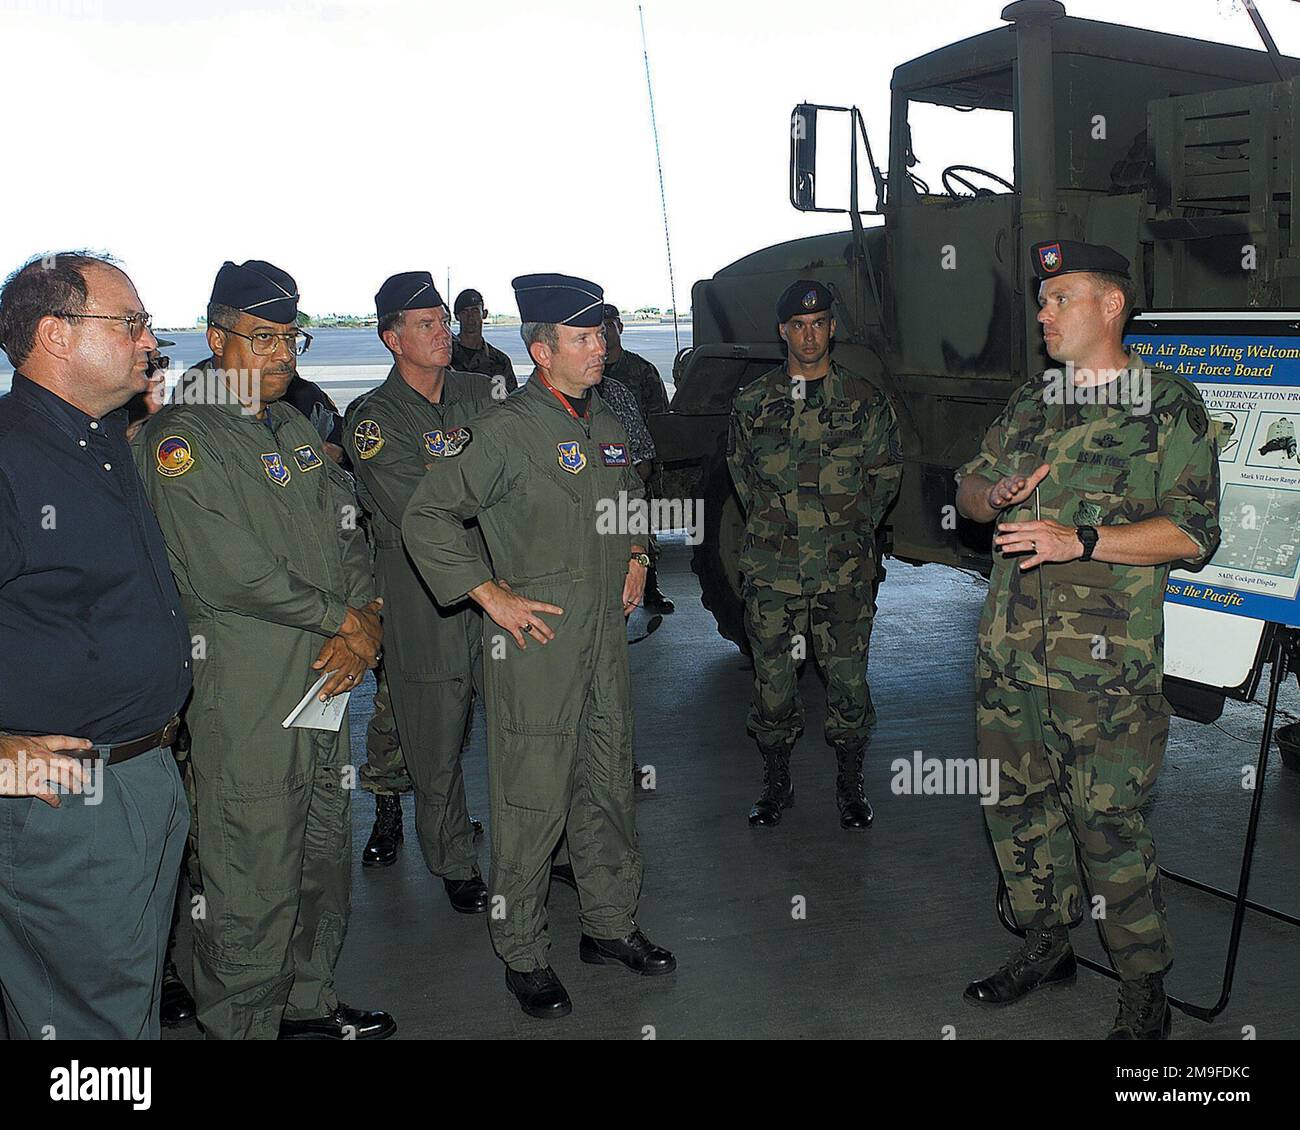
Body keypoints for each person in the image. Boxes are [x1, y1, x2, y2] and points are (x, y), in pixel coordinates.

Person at [955, 239, 1220, 1040]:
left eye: (1058, 296)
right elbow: (967, 493)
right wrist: (990, 491)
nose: (1042, 312)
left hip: (1103, 670)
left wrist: (1086, 540)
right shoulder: (1031, 403)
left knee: (1107, 824)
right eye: (1042, 299)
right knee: (1017, 808)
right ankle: (1046, 942)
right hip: (1009, 654)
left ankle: (1145, 989)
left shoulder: (1169, 406)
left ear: (1110, 305)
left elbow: (1192, 532)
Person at [403, 272, 675, 1020]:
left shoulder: (610, 426)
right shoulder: (503, 433)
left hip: (604, 647)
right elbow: (426, 518)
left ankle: (610, 925)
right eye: (584, 340)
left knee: (607, 787)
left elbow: (627, 501)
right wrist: (487, 593)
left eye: (602, 336)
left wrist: (638, 556)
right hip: (537, 646)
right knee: (531, 802)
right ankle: (522, 950)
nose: (601, 349)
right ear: (541, 349)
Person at [135, 259, 395, 1040]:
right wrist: (342, 622)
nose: (283, 355)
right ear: (217, 339)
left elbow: (350, 527)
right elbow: (229, 569)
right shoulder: (182, 439)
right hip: (248, 689)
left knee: (321, 852)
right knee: (251, 870)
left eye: (292, 337)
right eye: (262, 338)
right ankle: (243, 1022)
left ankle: (307, 1004)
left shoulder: (291, 427)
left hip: (326, 677)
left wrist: (370, 617)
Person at [0, 252, 191, 1038]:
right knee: (89, 1028)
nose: (151, 341)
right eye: (132, 323)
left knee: (124, 1005)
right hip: (67, 801)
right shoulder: (13, 458)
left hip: (144, 775)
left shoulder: (102, 439)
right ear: (56, 335)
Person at [343, 271, 496, 913]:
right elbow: (417, 511)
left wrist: (456, 481)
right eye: (427, 323)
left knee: (527, 725)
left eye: (443, 318)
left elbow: (518, 478)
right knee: (433, 740)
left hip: (497, 586)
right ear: (392, 339)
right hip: (419, 598)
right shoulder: (372, 419)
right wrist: (476, 485)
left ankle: (548, 849)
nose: (444, 331)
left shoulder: (483, 391)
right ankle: (453, 860)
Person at [727, 280, 901, 830]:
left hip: (843, 572)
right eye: (798, 326)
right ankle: (777, 782)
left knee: (848, 684)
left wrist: (847, 534)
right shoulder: (753, 404)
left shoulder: (864, 400)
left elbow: (885, 475)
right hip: (773, 574)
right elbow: (744, 478)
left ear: (832, 328)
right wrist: (782, 532)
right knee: (773, 687)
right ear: (783, 331)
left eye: (819, 323)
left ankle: (850, 783)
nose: (809, 334)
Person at [602, 304, 674, 613]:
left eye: (609, 324)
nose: (605, 331)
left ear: (620, 326)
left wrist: (650, 463)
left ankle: (650, 587)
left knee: (642, 528)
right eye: (599, 325)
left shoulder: (642, 370)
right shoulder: (591, 372)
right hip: (605, 466)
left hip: (638, 464)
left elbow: (659, 418)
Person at [451, 287, 517, 394]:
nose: (470, 317)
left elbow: (509, 402)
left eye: (475, 311)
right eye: (464, 312)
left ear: (484, 314)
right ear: (457, 316)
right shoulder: (445, 357)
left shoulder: (500, 361)